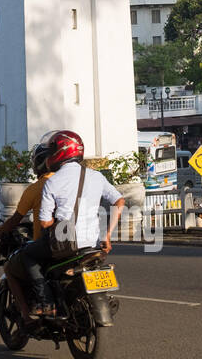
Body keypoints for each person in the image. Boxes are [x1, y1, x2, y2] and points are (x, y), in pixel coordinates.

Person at [20, 130, 125, 317]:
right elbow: (119, 201)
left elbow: (44, 222)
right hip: (92, 243)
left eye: (52, 150)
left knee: (28, 256)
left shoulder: (53, 182)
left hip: (65, 243)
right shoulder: (97, 176)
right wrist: (107, 234)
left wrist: (56, 224)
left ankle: (46, 302)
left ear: (59, 153)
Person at [0, 142, 53, 325]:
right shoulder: (71, 184)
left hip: (49, 243)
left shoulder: (37, 188)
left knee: (12, 267)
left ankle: (27, 314)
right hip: (81, 241)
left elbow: (15, 219)